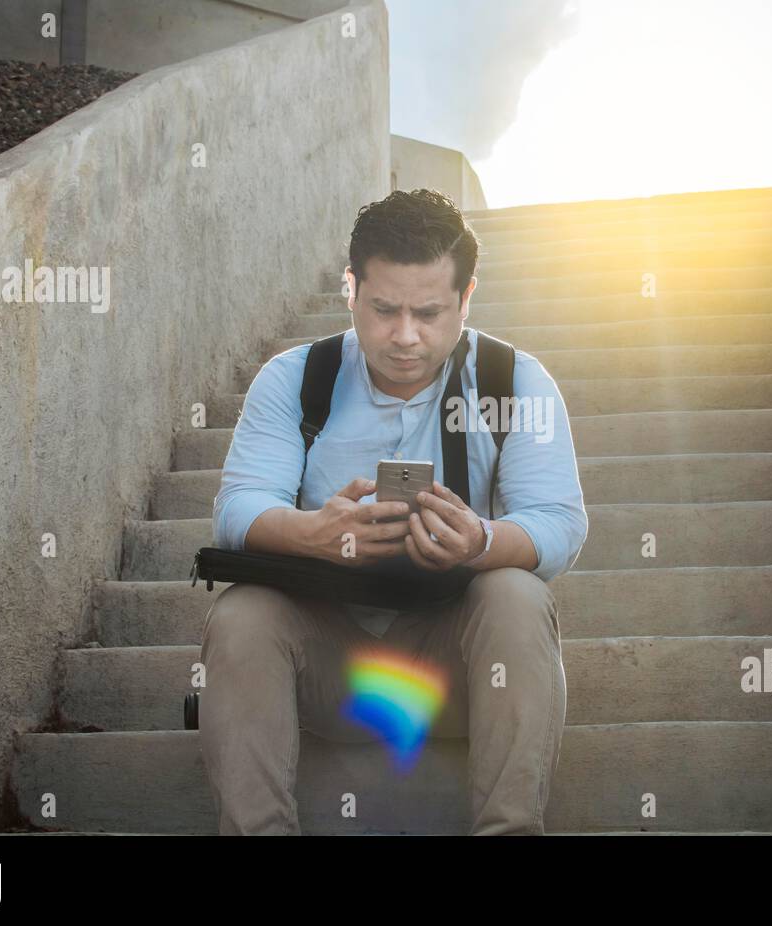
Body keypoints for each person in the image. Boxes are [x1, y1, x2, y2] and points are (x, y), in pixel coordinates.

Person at [200, 188, 589, 835]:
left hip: (461, 675)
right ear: (351, 290)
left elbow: (559, 521)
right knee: (243, 612)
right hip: (331, 674)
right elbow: (237, 508)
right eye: (384, 309)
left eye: (430, 312)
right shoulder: (296, 379)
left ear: (466, 300)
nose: (405, 336)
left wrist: (480, 541)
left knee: (517, 595)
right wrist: (313, 533)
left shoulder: (512, 382)